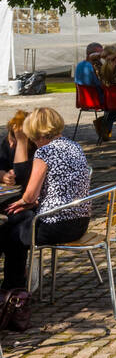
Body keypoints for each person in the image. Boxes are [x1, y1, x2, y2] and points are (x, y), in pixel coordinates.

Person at [1, 107, 92, 302]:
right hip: (79, 220)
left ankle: (13, 292)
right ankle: (16, 287)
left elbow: (30, 195)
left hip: (57, 224)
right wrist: (27, 203)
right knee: (17, 219)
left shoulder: (45, 152)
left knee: (12, 235)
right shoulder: (73, 145)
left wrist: (24, 202)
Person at [0, 111, 35, 189]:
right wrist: (4, 176)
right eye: (11, 138)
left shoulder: (37, 147)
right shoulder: (6, 143)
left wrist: (21, 142)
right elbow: (2, 165)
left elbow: (21, 177)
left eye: (16, 141)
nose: (11, 145)